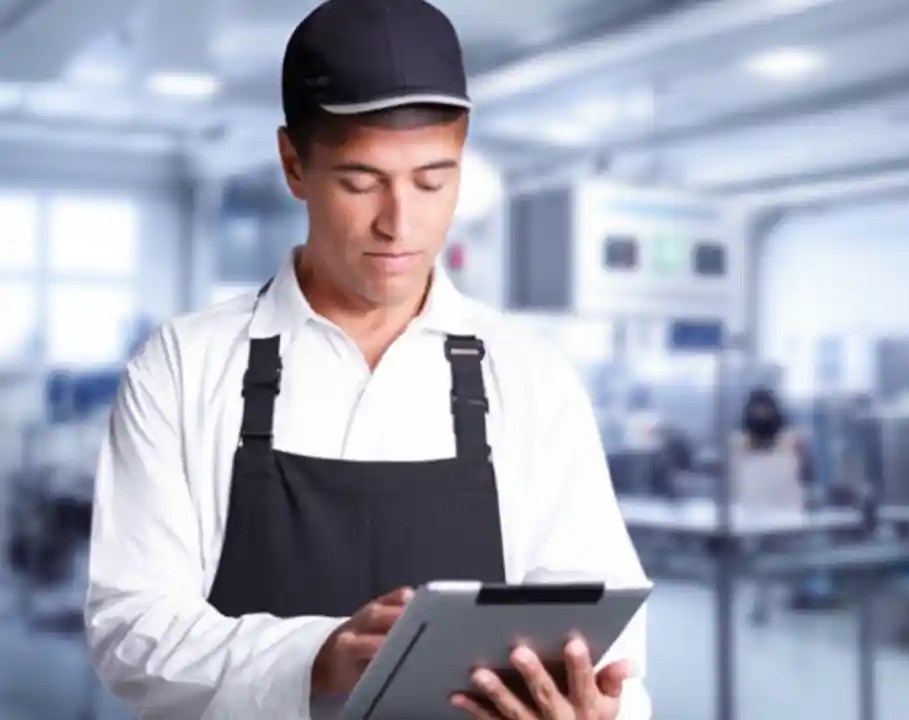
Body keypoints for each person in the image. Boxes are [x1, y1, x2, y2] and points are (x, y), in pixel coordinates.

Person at [82, 1, 650, 718]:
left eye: (432, 181)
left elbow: (603, 634)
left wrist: (597, 707)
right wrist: (318, 656)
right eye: (359, 181)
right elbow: (130, 628)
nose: (399, 224)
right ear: (294, 163)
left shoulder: (531, 376)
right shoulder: (182, 368)